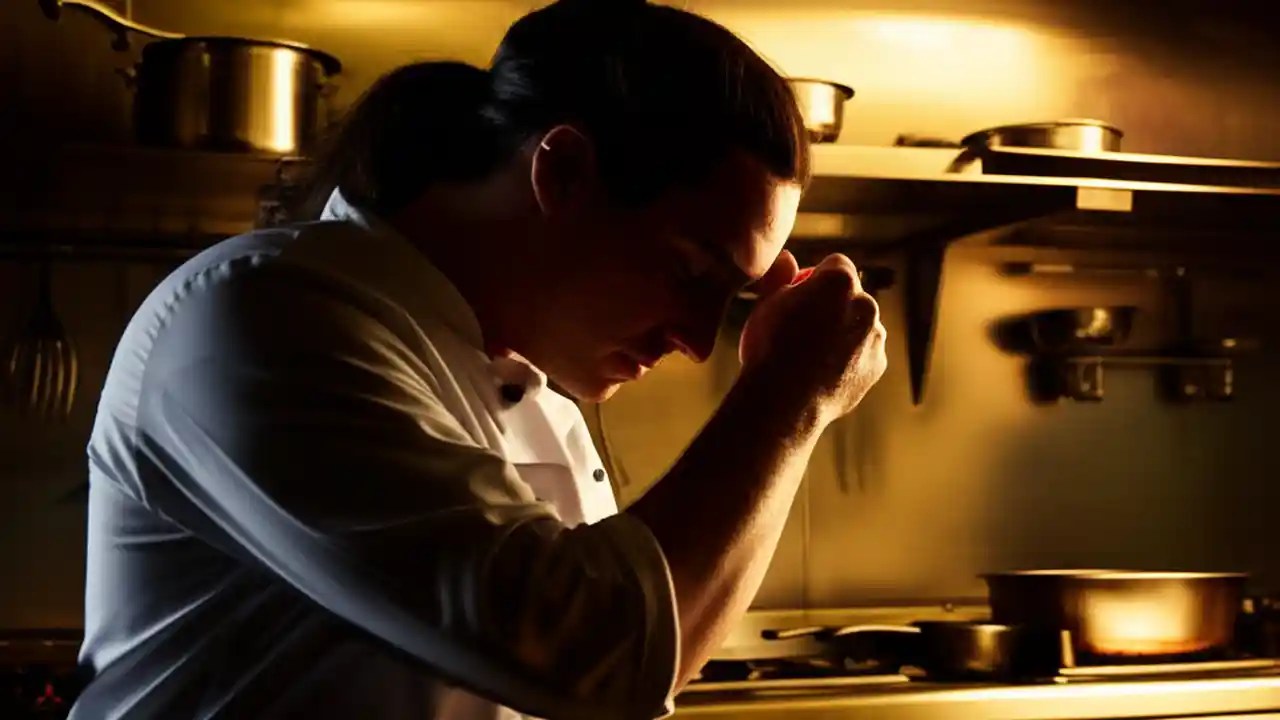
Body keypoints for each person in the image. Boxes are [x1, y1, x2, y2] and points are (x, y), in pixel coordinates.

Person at [71, 0, 887, 718]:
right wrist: (790, 394)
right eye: (689, 272)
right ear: (562, 172)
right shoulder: (263, 314)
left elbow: (627, 670)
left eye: (731, 297)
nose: (698, 343)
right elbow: (596, 654)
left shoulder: (540, 395)